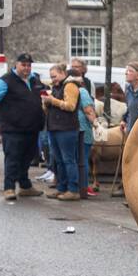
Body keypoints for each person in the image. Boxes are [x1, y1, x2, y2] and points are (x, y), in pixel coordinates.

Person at [0, 53, 46, 202]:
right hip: (13, 128)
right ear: (16, 64)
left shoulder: (34, 79)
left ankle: (25, 186)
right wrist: (9, 114)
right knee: (13, 158)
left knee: (27, 157)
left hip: (32, 127)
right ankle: (9, 188)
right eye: (23, 65)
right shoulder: (5, 81)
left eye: (29, 65)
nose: (26, 68)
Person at [41, 63, 82, 201]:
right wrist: (46, 103)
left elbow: (70, 106)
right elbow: (53, 106)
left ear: (63, 73)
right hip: (55, 127)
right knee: (59, 161)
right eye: (51, 77)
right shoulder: (57, 87)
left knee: (68, 160)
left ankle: (73, 190)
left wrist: (53, 100)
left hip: (67, 129)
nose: (53, 80)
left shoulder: (70, 86)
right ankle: (62, 188)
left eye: (55, 76)